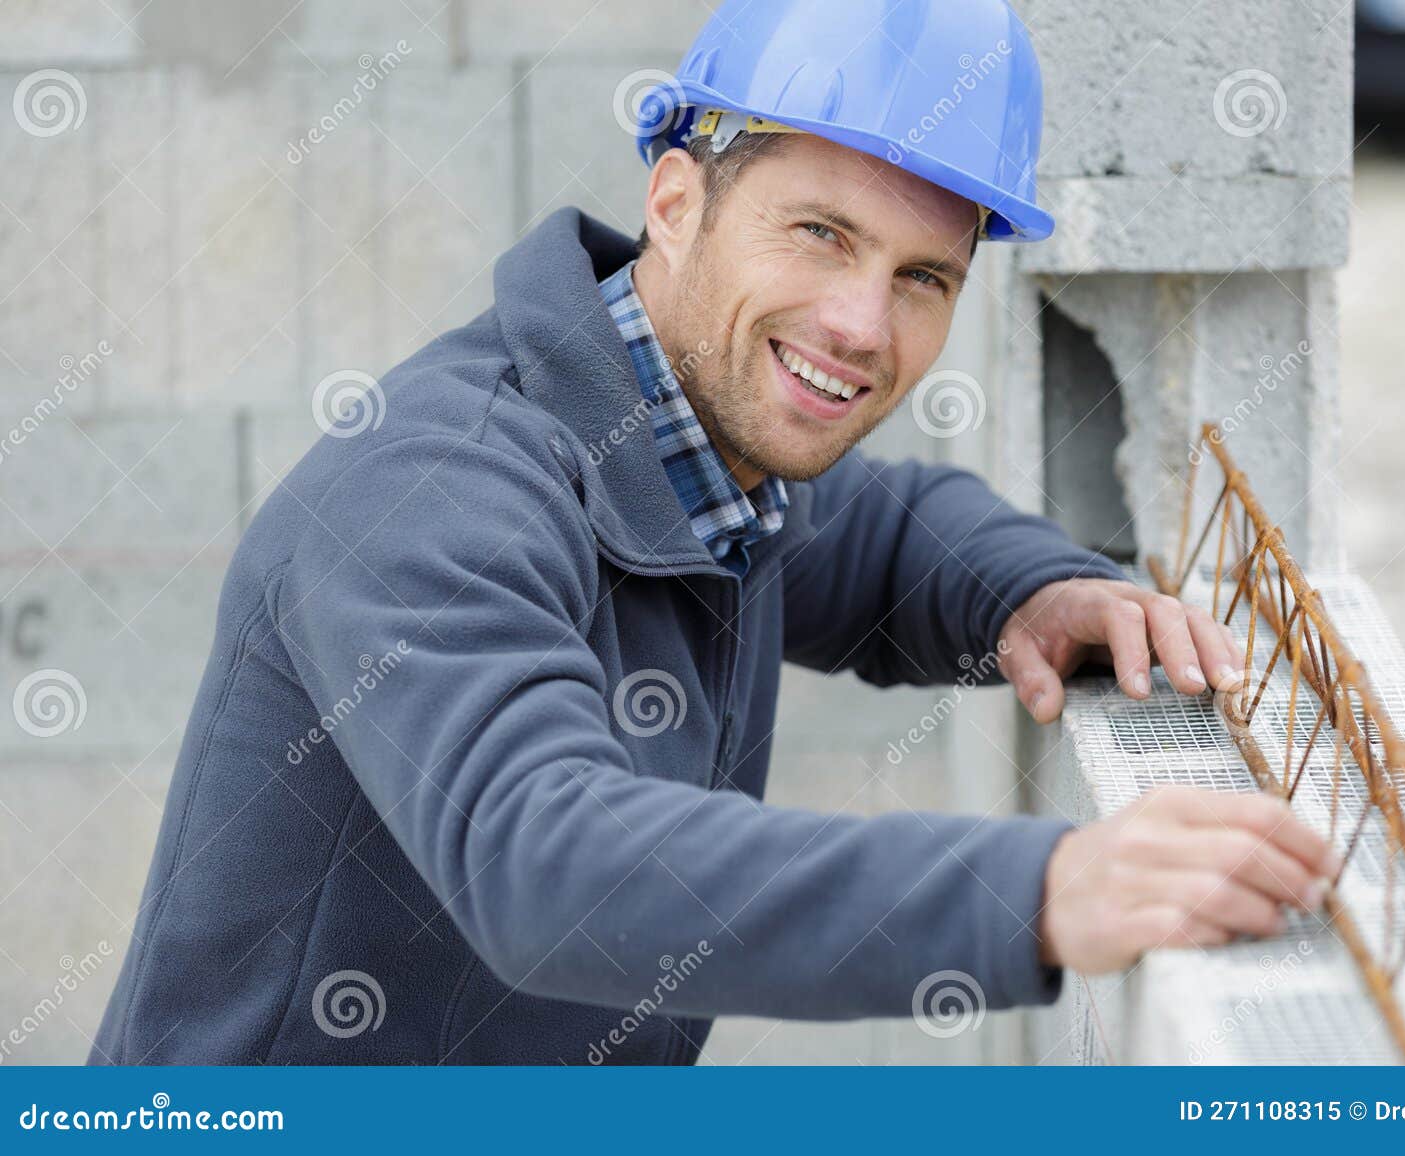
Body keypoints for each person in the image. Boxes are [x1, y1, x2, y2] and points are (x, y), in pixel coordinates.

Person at [91, 0, 1337, 1065]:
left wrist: (1038, 588)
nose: (860, 322)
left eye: (922, 278)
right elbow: (549, 867)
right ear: (676, 203)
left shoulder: (690, 444)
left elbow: (882, 530)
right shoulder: (435, 487)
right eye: (820, 234)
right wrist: (1040, 895)